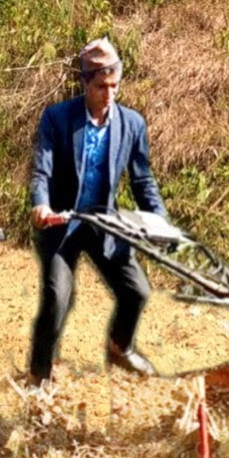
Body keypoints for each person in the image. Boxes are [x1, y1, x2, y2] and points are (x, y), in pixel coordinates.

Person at [28, 38, 168, 385]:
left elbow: (142, 180)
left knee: (137, 291)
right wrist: (41, 205)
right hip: (61, 223)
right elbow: (41, 171)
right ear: (85, 83)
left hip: (102, 222)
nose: (109, 94)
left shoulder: (132, 124)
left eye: (114, 86)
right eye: (101, 86)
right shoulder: (58, 119)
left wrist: (158, 219)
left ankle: (120, 349)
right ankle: (39, 375)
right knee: (58, 298)